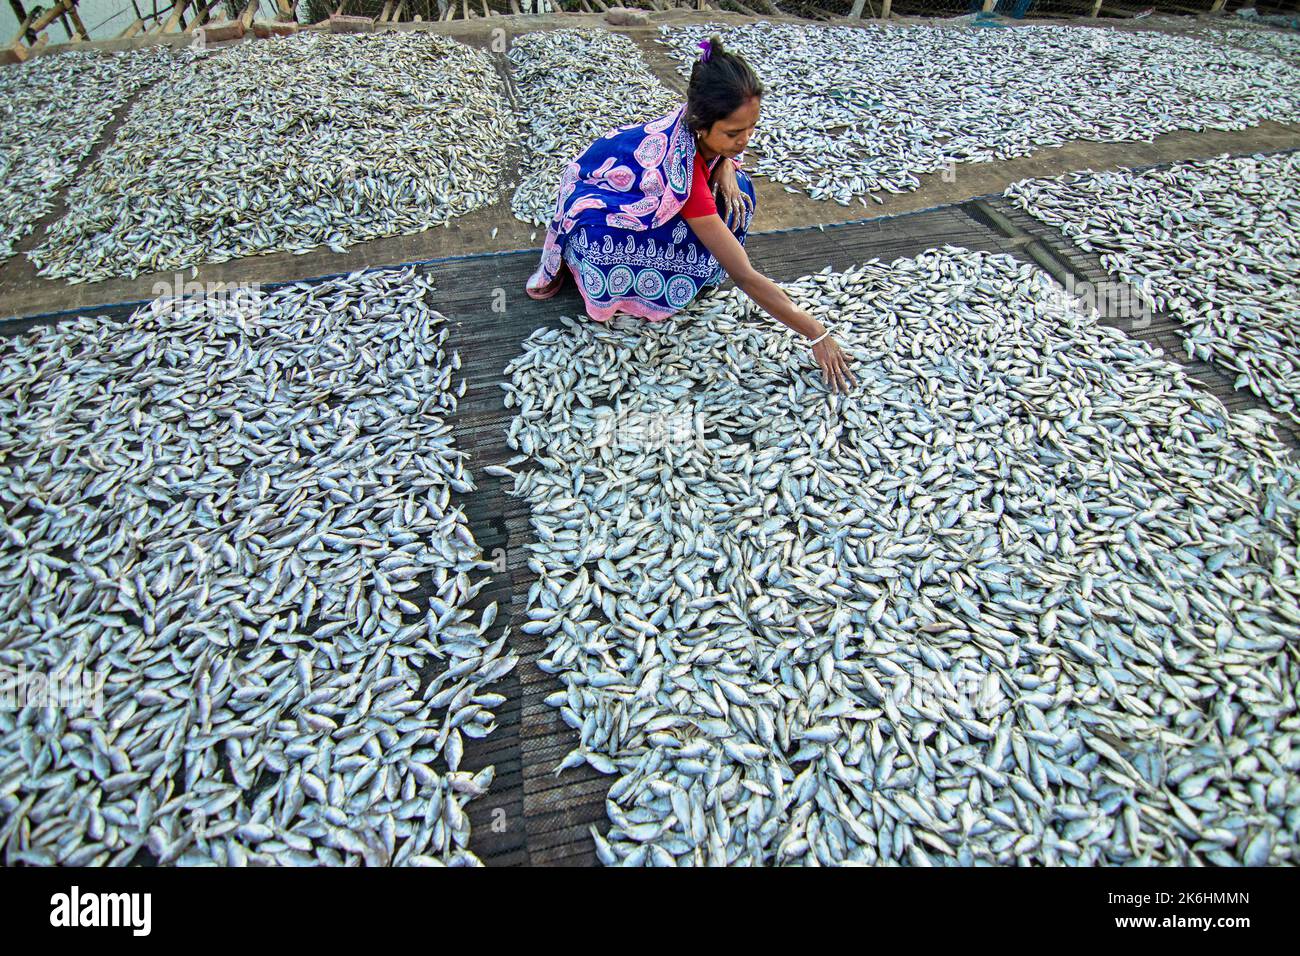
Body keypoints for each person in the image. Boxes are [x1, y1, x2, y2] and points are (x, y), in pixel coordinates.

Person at [525, 34, 856, 393]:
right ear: (701, 125)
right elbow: (743, 275)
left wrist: (726, 163)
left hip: (650, 186)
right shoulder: (684, 173)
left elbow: (722, 155)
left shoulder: (698, 126)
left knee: (736, 193)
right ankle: (608, 285)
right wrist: (815, 332)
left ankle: (684, 269)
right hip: (596, 198)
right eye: (733, 133)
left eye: (751, 128)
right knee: (610, 242)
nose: (745, 140)